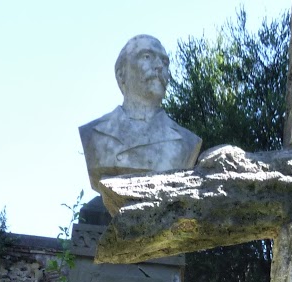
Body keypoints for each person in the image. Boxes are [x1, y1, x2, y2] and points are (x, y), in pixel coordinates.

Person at [77, 35, 201, 213]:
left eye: (165, 62)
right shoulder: (93, 133)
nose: (159, 66)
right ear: (121, 73)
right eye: (147, 56)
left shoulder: (188, 142)